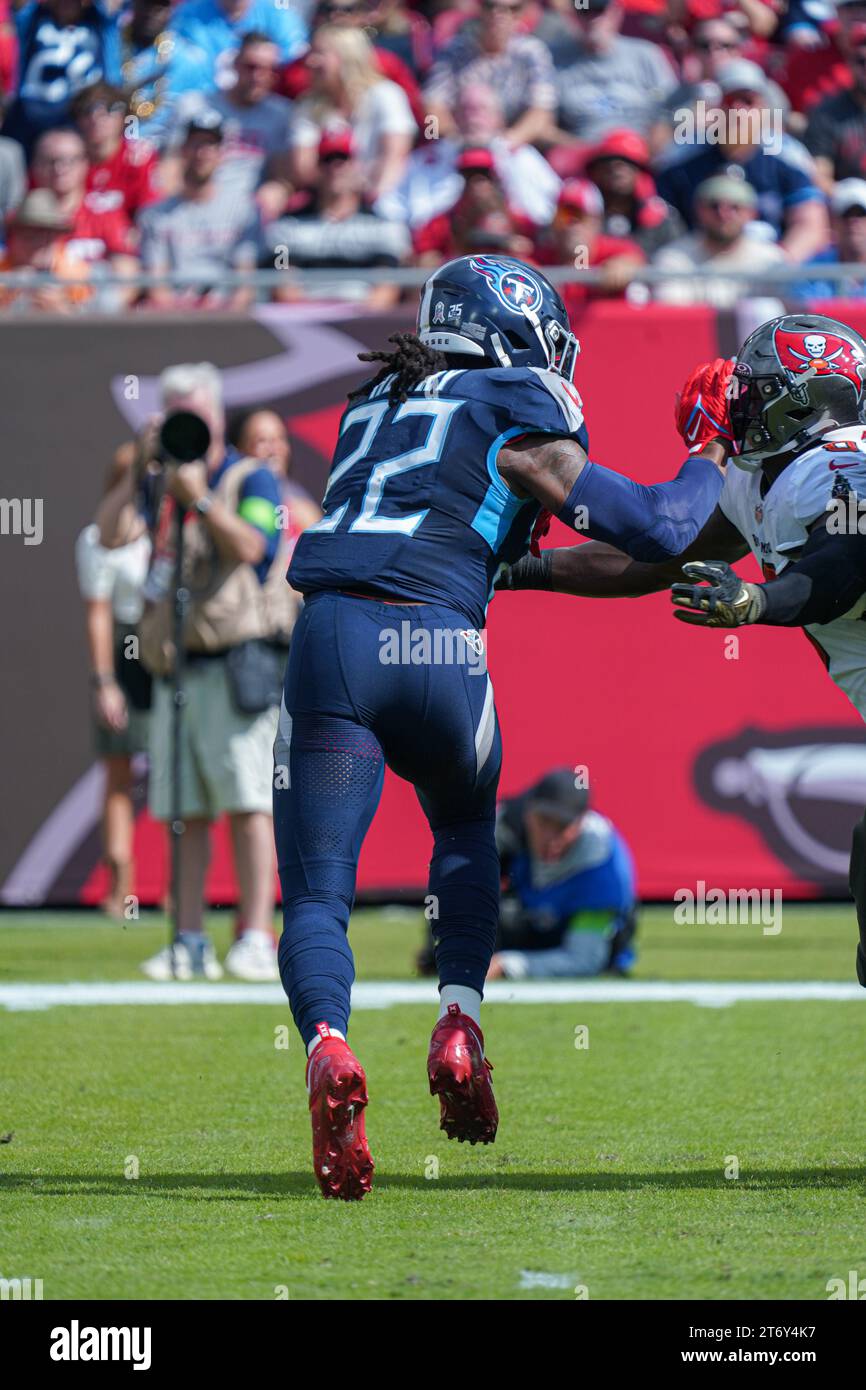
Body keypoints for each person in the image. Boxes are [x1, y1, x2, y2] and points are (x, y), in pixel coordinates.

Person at [277, 253, 733, 1200]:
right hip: (442, 648)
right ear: (512, 329)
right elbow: (654, 526)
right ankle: (458, 1020)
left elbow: (463, 540)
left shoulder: (373, 406)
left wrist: (514, 569)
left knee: (320, 895)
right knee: (461, 832)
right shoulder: (514, 402)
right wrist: (712, 452)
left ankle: (327, 1043)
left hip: (330, 638)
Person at [495, 313, 866, 988]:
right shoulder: (761, 480)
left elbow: (844, 565)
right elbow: (656, 560)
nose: (738, 398)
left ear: (803, 402)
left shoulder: (843, 464)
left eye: (756, 388)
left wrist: (757, 602)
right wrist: (523, 570)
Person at [98, 362, 297, 983]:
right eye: (174, 412)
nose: (188, 424)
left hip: (235, 663)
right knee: (182, 810)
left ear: (215, 417)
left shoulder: (251, 477)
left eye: (196, 413)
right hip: (174, 670)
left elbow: (256, 548)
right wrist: (139, 469)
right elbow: (109, 537)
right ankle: (189, 939)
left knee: (247, 803)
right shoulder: (158, 482)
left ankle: (257, 935)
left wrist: (200, 498)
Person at [417, 766, 638, 980]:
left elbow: (583, 961)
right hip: (527, 920)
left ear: (581, 823)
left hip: (575, 934)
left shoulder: (603, 866)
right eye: (543, 821)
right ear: (529, 813)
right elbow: (456, 885)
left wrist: (508, 965)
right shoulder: (504, 826)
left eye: (562, 826)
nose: (551, 837)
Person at [76, 449, 152, 919]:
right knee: (120, 771)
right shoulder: (96, 538)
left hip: (168, 647)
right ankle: (121, 885)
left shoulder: (170, 531)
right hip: (125, 652)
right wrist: (105, 681)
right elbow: (98, 612)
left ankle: (182, 888)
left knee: (181, 773)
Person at [657, 59, 829, 262]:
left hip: (768, 269)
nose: (738, 111)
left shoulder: (788, 155)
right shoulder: (682, 158)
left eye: (748, 102)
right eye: (730, 101)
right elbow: (658, 223)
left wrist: (778, 267)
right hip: (698, 265)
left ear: (763, 109)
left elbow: (810, 225)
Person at [266, 128, 410, 307]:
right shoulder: (287, 227)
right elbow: (284, 287)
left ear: (357, 165)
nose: (334, 168)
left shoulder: (384, 227)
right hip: (304, 320)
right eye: (327, 159)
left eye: (343, 159)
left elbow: (386, 291)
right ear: (318, 167)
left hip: (364, 320)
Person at [138, 111, 263, 309]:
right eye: (195, 144)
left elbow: (245, 284)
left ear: (222, 153)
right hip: (174, 318)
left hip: (228, 318)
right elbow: (157, 287)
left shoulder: (243, 210)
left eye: (210, 145)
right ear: (183, 150)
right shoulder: (155, 215)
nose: (202, 153)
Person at [166, 33, 295, 220]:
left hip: (246, 216)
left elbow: (281, 177)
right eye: (251, 67)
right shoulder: (194, 105)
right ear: (235, 64)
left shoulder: (280, 115)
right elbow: (170, 165)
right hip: (192, 205)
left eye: (270, 70)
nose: (259, 76)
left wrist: (276, 191)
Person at [288, 25, 417, 202]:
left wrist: (373, 198)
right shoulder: (308, 105)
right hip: (326, 202)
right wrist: (340, 189)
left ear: (346, 57)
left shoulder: (386, 95)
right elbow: (304, 169)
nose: (310, 61)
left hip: (383, 199)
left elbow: (395, 158)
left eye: (319, 53)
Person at [423, 0, 557, 148]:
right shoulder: (454, 50)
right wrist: (448, 138)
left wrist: (507, 143)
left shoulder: (532, 52)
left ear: (521, 13)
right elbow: (433, 107)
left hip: (515, 147)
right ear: (480, 9)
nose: (499, 14)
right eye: (491, 6)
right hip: (459, 144)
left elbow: (542, 111)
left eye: (512, 9)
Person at [551, 0, 677, 148]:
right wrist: (583, 150)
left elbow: (671, 109)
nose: (593, 19)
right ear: (572, 16)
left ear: (616, 12)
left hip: (641, 149)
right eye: (584, 11)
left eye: (599, 11)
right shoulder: (553, 59)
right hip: (581, 152)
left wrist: (649, 149)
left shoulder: (646, 54)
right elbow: (543, 124)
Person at [2, 0, 121, 155]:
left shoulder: (99, 21)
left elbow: (112, 6)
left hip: (82, 119)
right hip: (30, 118)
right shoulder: (33, 18)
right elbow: (20, 5)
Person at [652, 173, 785, 307]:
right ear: (698, 210)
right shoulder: (672, 258)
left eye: (735, 207)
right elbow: (674, 315)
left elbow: (783, 314)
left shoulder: (771, 259)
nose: (724, 214)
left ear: (752, 213)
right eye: (714, 206)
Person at [795, 178, 866, 300]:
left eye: (861, 214)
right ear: (833, 221)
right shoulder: (812, 270)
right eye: (846, 214)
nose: (853, 221)